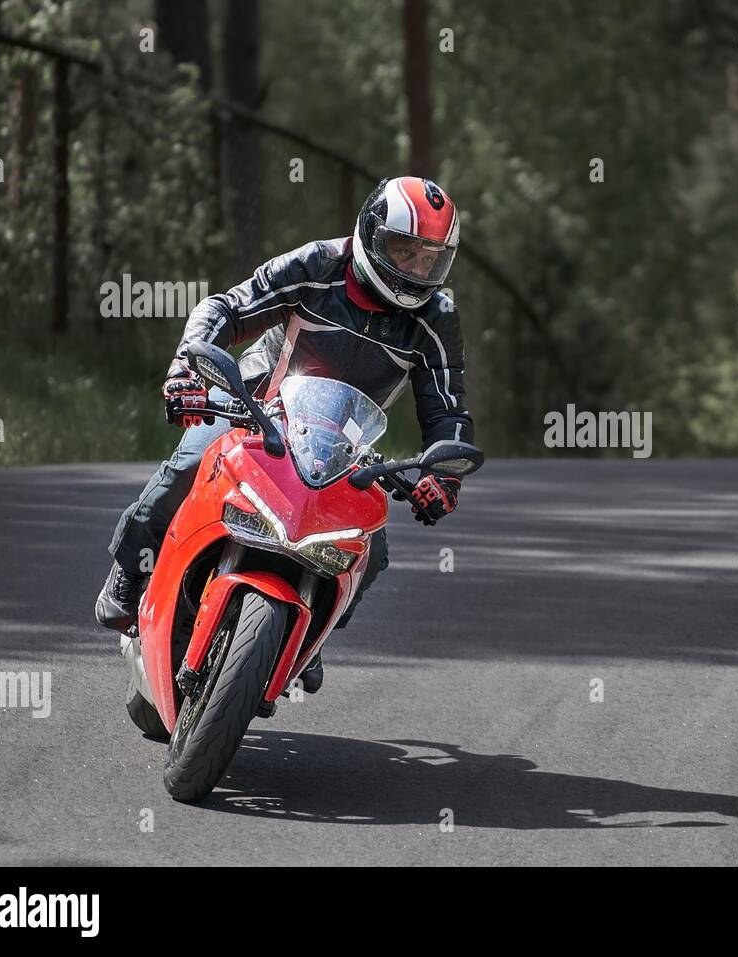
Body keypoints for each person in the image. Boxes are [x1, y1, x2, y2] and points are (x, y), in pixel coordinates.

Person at [94, 176, 472, 692]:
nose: (414, 269)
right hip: (258, 404)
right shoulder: (317, 265)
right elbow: (226, 308)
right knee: (190, 463)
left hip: (342, 442)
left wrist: (440, 478)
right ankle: (131, 569)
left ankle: (310, 633)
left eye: (429, 258)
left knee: (373, 550)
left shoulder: (436, 319)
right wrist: (186, 367)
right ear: (371, 233)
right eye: (404, 250)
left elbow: (446, 409)